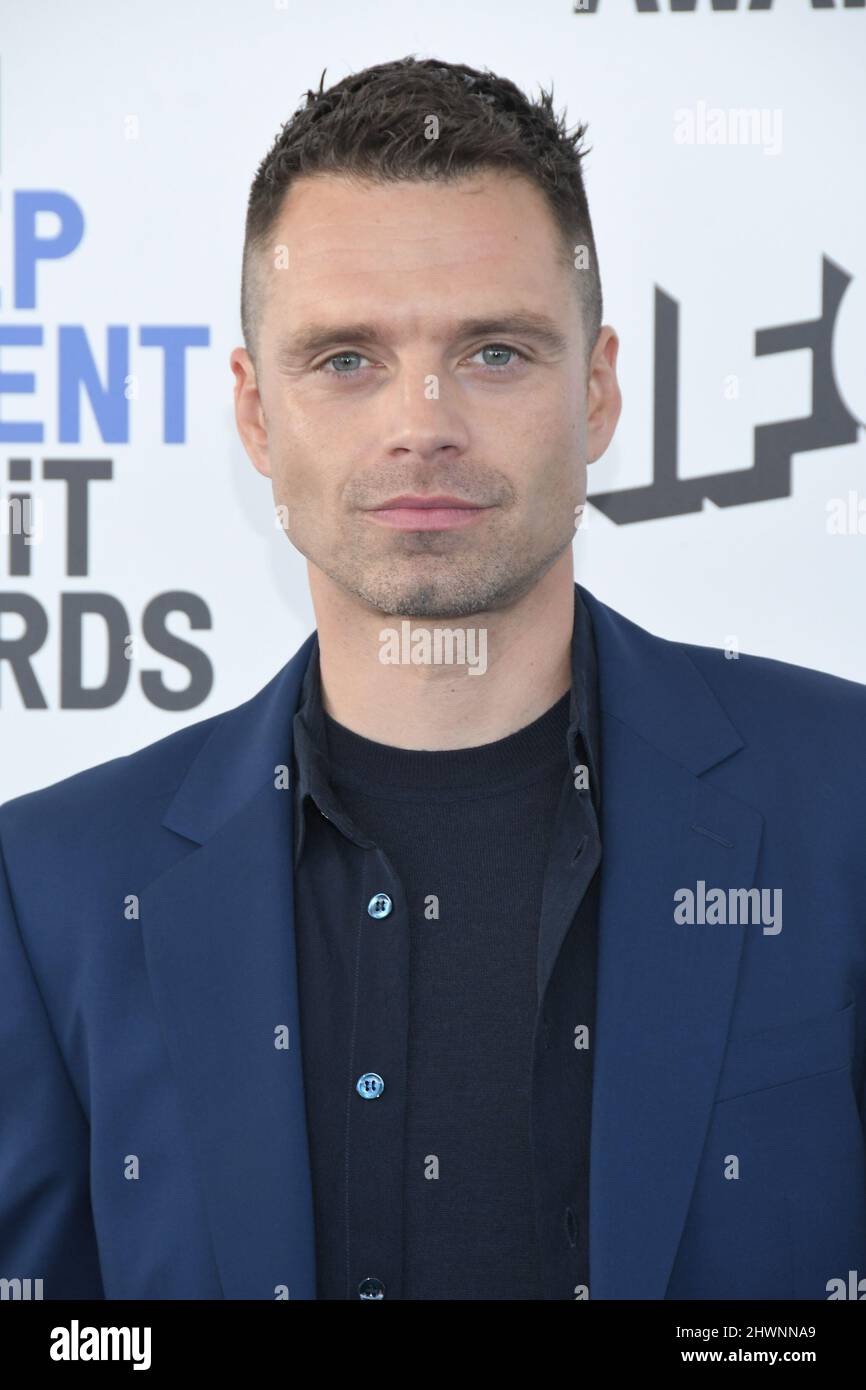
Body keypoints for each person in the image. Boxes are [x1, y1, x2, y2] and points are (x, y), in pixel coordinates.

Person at [1, 55, 864, 1302]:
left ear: (600, 388)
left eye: (496, 352)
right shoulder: (60, 886)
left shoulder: (838, 800)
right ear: (254, 414)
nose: (422, 420)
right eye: (345, 358)